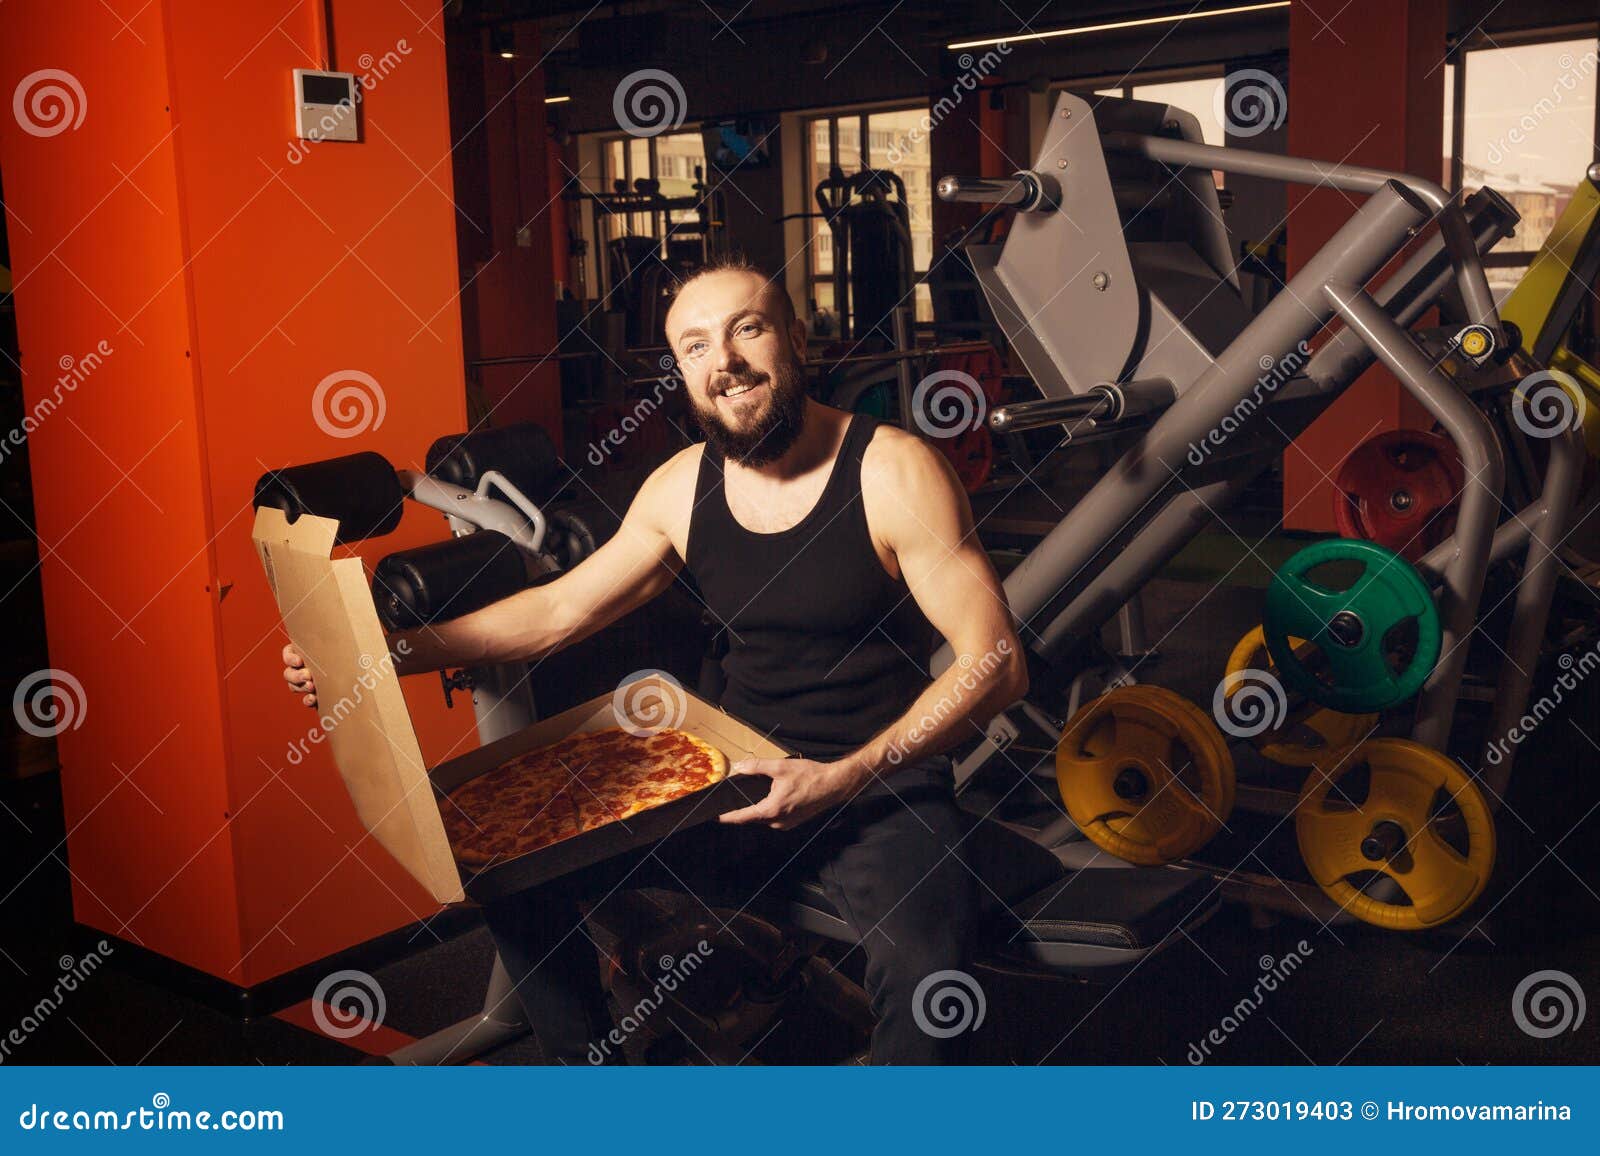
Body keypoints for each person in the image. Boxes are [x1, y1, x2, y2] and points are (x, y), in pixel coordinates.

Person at [283, 258, 1027, 1062]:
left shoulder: (894, 471)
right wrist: (391, 652)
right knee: (508, 862)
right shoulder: (680, 487)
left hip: (878, 787)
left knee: (929, 984)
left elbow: (997, 663)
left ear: (794, 340)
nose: (726, 363)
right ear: (680, 372)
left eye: (747, 329)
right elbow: (560, 609)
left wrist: (847, 773)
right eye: (696, 347)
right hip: (731, 771)